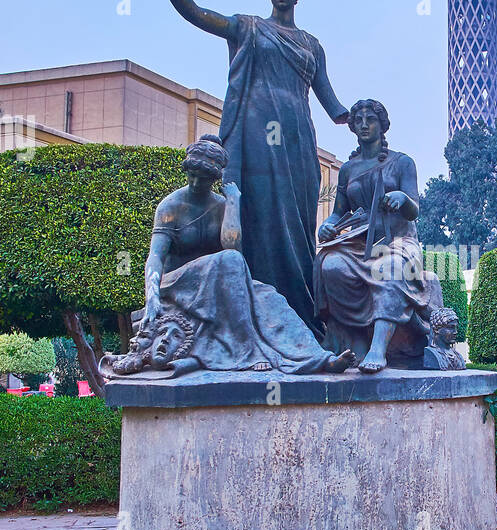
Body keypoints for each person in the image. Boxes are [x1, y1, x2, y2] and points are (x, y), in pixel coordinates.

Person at [124, 0, 350, 333]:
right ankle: (253, 315)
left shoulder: (312, 45)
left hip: (297, 140)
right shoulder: (246, 27)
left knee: (297, 229)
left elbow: (333, 104)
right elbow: (196, 14)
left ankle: (301, 319)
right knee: (255, 214)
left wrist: (367, 126)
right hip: (254, 135)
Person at [102, 134, 354, 378]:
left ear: (214, 178)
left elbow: (231, 246)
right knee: (230, 261)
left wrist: (233, 202)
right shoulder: (171, 206)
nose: (195, 182)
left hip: (216, 282)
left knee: (271, 299)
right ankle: (246, 351)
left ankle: (316, 358)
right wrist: (153, 295)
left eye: (203, 178)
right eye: (192, 175)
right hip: (177, 284)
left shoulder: (221, 205)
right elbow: (156, 256)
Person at [315, 100, 431, 373]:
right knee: (330, 266)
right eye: (359, 121)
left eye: (371, 119)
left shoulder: (402, 162)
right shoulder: (348, 169)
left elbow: (414, 210)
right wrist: (327, 226)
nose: (364, 125)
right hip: (359, 242)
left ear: (382, 125)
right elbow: (339, 213)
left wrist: (402, 198)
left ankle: (379, 348)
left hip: (398, 241)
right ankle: (355, 342)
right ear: (353, 127)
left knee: (388, 268)